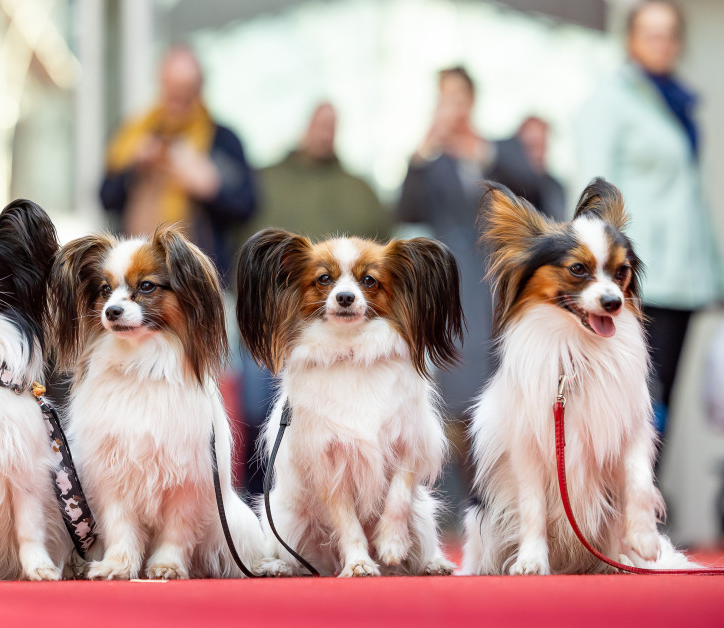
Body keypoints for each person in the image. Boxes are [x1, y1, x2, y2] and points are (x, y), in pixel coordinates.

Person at [577, 0, 723, 440]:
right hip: (636, 283)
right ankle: (615, 509)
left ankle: (642, 506)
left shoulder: (676, 104)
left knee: (659, 415)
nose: (661, 43)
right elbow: (592, 191)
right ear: (630, 39)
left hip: (680, 281)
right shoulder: (612, 99)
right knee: (629, 411)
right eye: (650, 33)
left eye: (669, 34)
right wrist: (592, 273)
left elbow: (687, 202)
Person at [237, 102, 391, 495]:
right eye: (319, 122)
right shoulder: (263, 178)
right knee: (259, 410)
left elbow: (385, 254)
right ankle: (262, 503)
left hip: (341, 326)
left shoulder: (360, 189)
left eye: (332, 124)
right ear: (305, 124)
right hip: (272, 315)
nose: (325, 131)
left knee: (335, 418)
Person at [396, 66, 552, 426]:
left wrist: (480, 153)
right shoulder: (430, 165)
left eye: (457, 98)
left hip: (501, 280)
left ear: (471, 101)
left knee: (510, 379)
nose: (451, 107)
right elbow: (406, 210)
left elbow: (534, 187)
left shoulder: (501, 149)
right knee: (460, 390)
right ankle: (462, 471)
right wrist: (420, 154)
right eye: (444, 99)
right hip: (456, 283)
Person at [100, 46, 257, 277]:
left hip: (197, 277)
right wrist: (134, 166)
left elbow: (248, 206)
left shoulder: (222, 139)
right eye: (172, 88)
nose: (178, 97)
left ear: (200, 88)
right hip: (137, 273)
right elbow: (105, 197)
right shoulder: (134, 133)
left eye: (186, 90)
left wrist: (212, 189)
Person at [255, 102, 391, 240]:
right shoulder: (266, 180)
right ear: (307, 127)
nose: (325, 136)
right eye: (320, 126)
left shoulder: (360, 190)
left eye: (330, 128)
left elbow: (383, 240)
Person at [516, 115, 566, 220]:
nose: (536, 154)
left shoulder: (555, 186)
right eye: (531, 146)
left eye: (540, 145)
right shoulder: (508, 183)